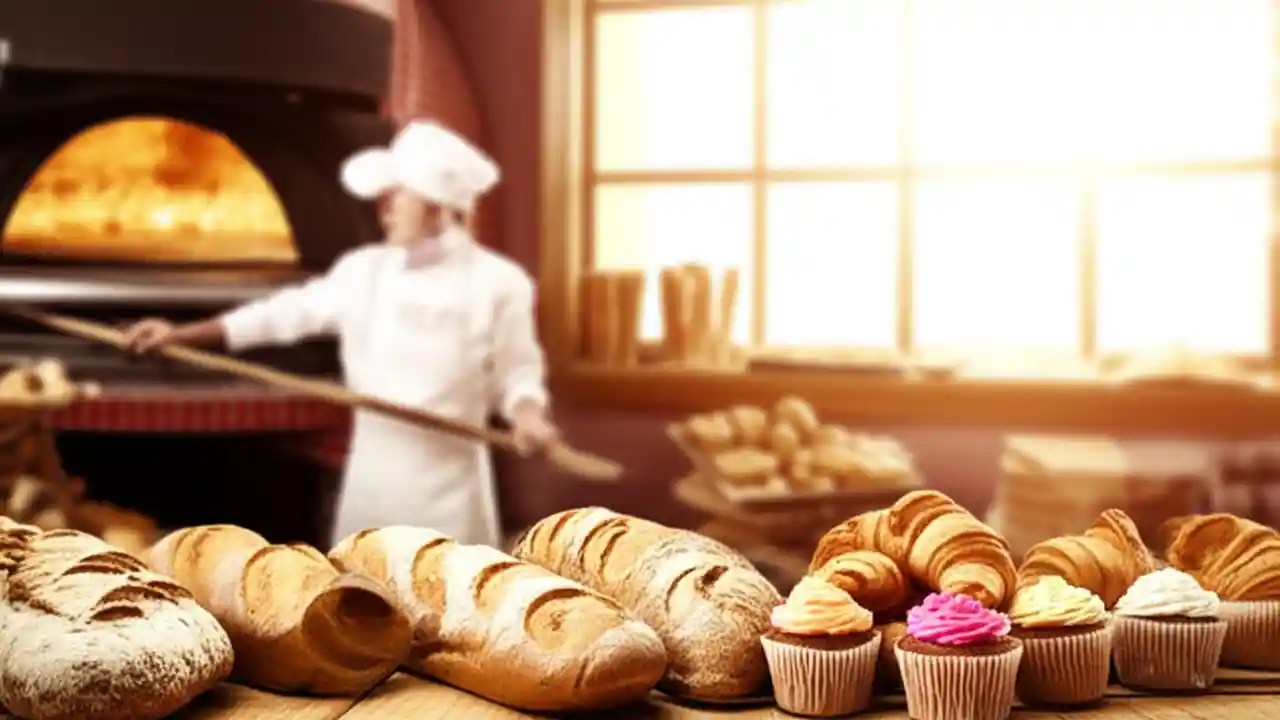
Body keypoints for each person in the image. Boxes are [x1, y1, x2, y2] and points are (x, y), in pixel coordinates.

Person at [123, 120, 557, 548]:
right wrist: (181, 335)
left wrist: (528, 416)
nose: (384, 210)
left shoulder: (499, 283)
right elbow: (282, 315)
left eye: (396, 197)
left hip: (450, 499)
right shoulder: (363, 272)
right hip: (371, 487)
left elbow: (518, 372)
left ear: (437, 206)